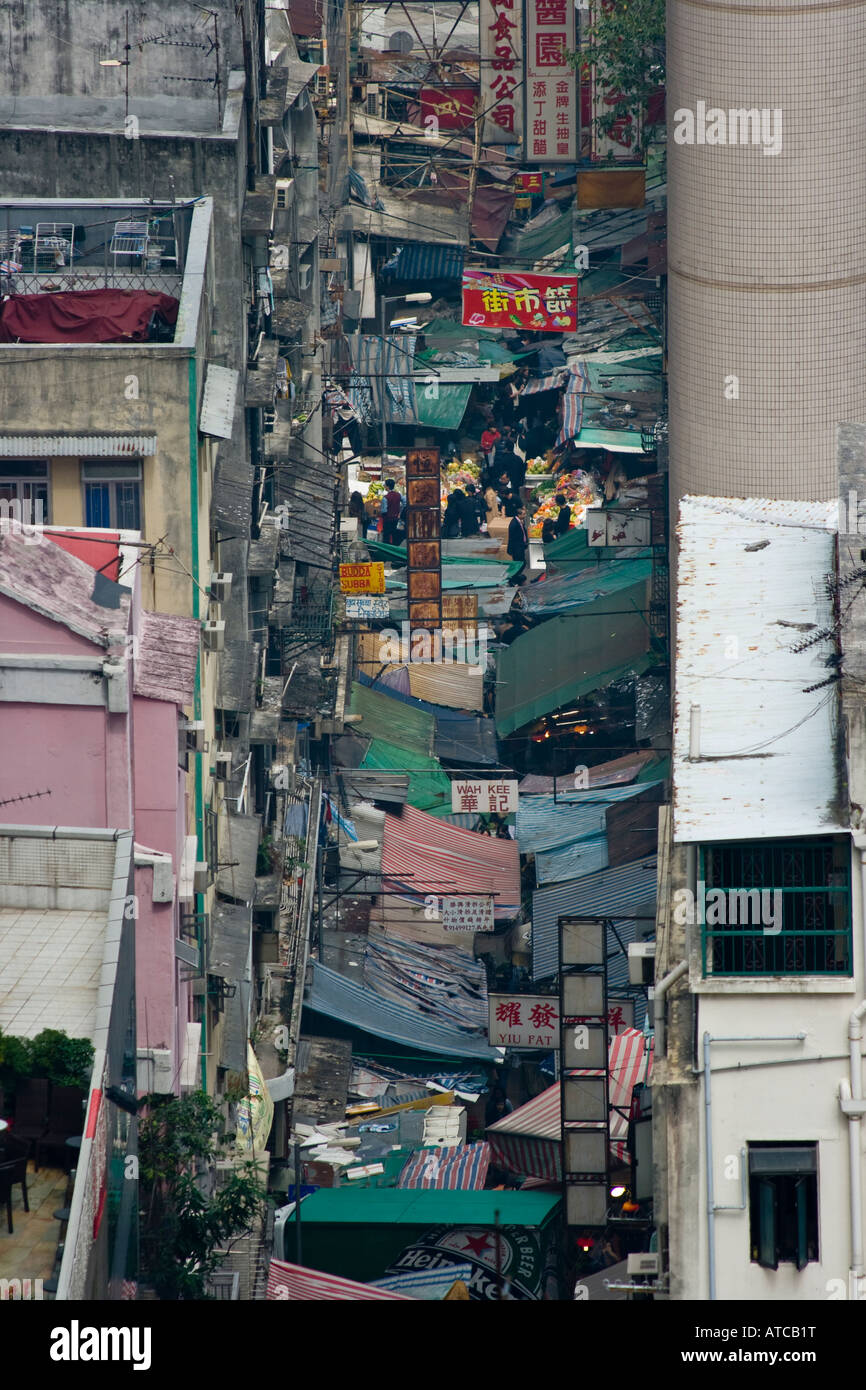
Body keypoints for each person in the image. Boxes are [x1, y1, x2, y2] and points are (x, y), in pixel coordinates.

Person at [507, 504, 529, 584]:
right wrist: (511, 550)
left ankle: (516, 576)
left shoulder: (520, 521)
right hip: (517, 548)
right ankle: (513, 578)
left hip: (520, 546)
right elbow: (512, 538)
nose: (525, 515)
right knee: (520, 563)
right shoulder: (514, 524)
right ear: (519, 515)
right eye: (523, 514)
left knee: (521, 563)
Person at [380, 477, 402, 545]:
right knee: (395, 536)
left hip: (387, 520)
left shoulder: (385, 498)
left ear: (387, 487)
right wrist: (400, 512)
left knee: (386, 537)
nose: (384, 486)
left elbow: (384, 511)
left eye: (385, 485)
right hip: (396, 519)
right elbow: (404, 502)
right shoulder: (398, 495)